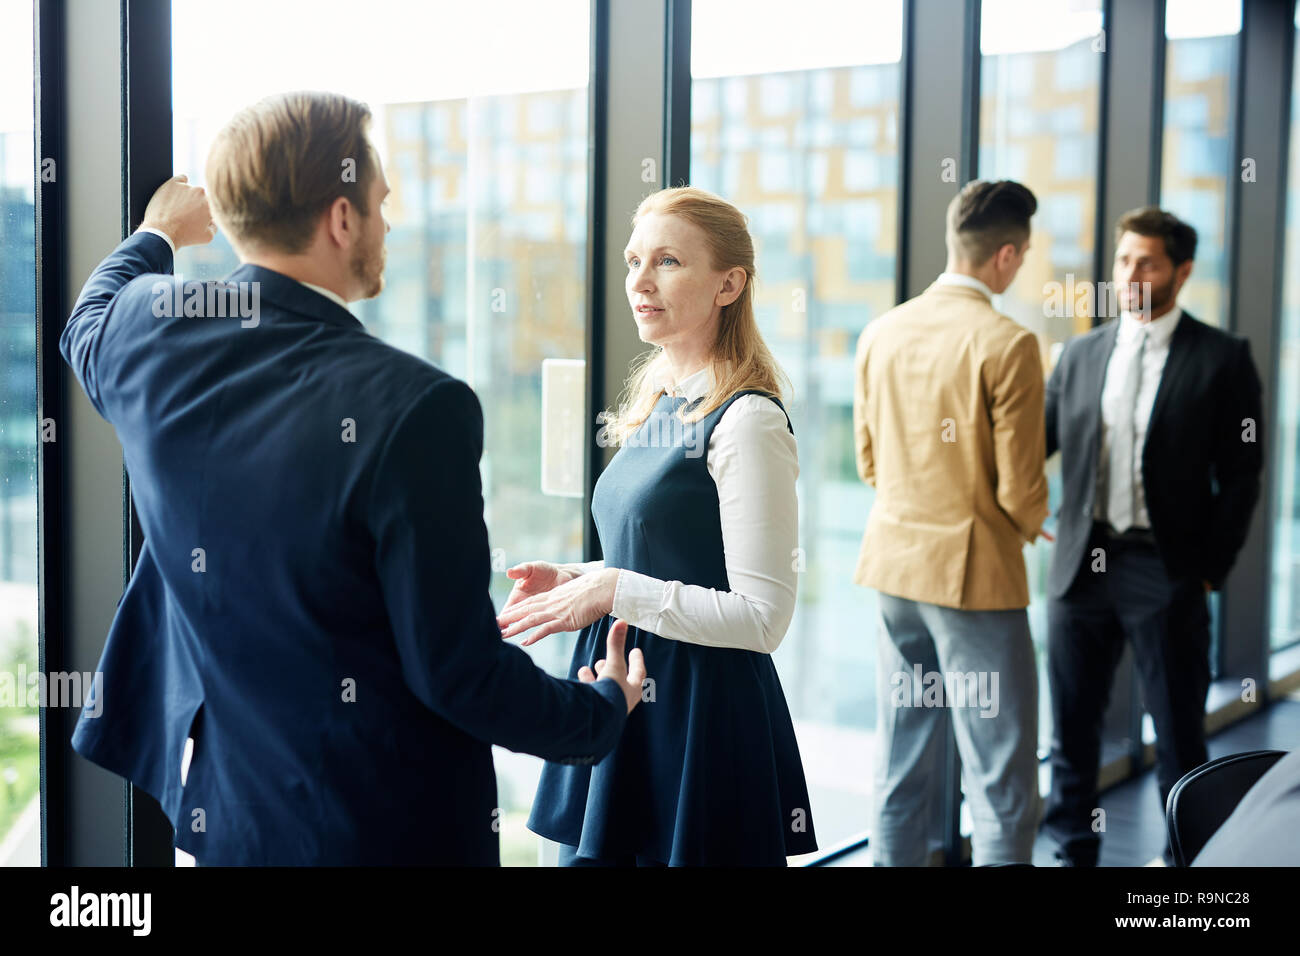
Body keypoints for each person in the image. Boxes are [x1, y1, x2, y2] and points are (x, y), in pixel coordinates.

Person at [60, 90, 644, 865]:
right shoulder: (417, 408)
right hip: (388, 835)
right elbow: (458, 676)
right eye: (380, 202)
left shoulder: (149, 334)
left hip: (232, 827)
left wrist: (157, 234)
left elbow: (86, 320)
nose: (388, 223)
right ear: (341, 219)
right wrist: (603, 708)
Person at [496, 186, 817, 866]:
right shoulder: (664, 400)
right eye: (632, 260)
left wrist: (612, 588)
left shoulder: (747, 421)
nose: (639, 282)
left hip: (700, 718)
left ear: (729, 284)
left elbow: (764, 620)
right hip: (626, 694)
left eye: (667, 261)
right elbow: (661, 552)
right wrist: (579, 577)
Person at [1041, 206, 1264, 867]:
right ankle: (1073, 850)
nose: (1131, 273)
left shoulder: (1222, 358)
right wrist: (1037, 519)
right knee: (1072, 729)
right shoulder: (1080, 353)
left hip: (1165, 569)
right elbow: (1037, 447)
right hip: (1082, 564)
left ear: (1181, 271)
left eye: (1147, 261)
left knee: (1177, 733)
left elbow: (1244, 474)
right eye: (1123, 260)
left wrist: (1206, 570)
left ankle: (1182, 862)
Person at [853, 179, 1049, 866]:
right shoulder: (1009, 342)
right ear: (1004, 256)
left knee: (902, 756)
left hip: (896, 573)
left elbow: (869, 461)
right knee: (1000, 777)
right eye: (1020, 256)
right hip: (975, 581)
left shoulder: (881, 331)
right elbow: (1022, 486)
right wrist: (1036, 522)